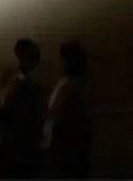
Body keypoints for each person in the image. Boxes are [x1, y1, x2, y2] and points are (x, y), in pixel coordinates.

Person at [0, 39, 46, 179]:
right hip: (28, 150)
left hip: (14, 150)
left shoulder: (20, 86)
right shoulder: (35, 86)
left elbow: (10, 113)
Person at [46, 41, 91, 179]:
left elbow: (59, 112)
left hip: (67, 148)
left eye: (61, 58)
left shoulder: (73, 86)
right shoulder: (66, 84)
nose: (58, 62)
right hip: (63, 146)